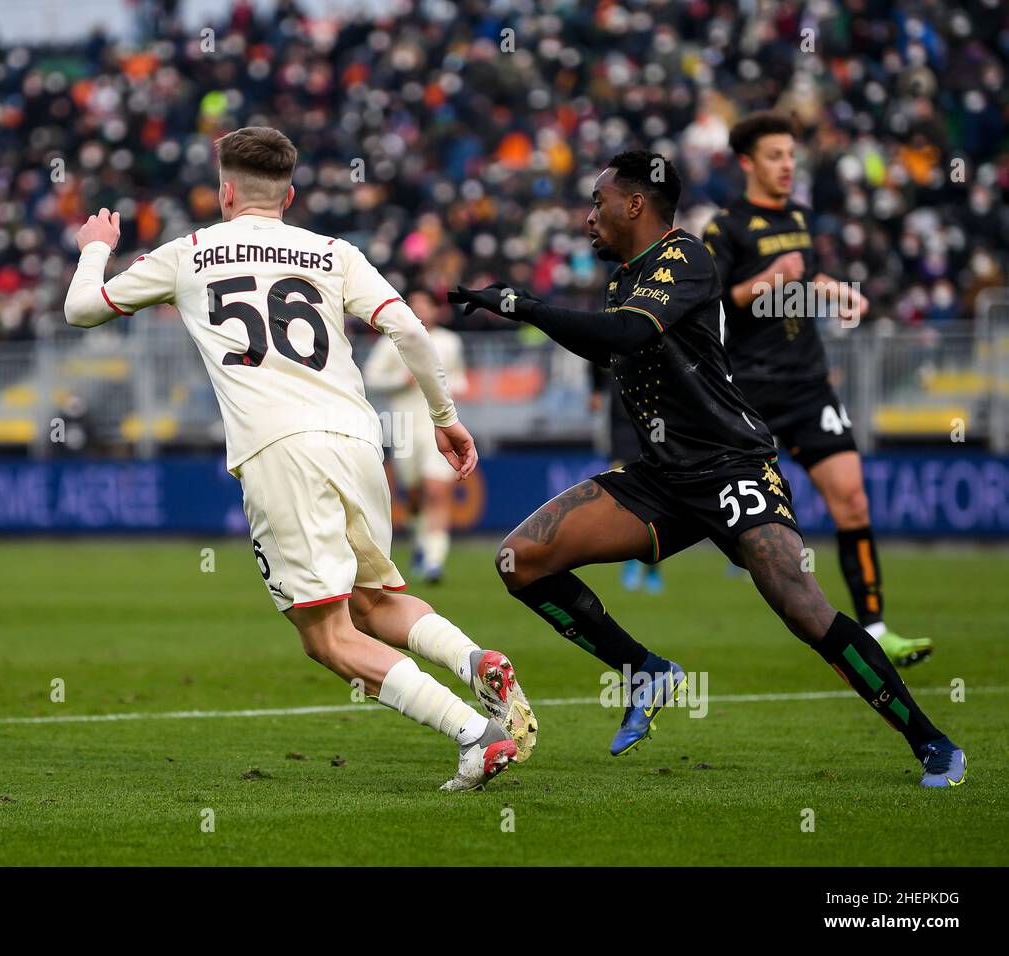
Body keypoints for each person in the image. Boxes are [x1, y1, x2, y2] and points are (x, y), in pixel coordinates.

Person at [449, 149, 965, 787]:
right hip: (661, 476)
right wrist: (516, 307)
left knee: (802, 607)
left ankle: (931, 741)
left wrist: (522, 306)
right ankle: (645, 671)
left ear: (634, 203)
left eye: (597, 202)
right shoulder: (624, 279)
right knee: (518, 560)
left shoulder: (685, 256)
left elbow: (628, 335)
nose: (588, 218)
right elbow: (603, 337)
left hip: (730, 464)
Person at [64, 127, 536, 790]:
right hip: (356, 439)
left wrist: (94, 250)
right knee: (374, 601)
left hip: (278, 447)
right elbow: (405, 327)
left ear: (226, 191)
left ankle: (474, 735)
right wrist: (444, 419)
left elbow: (82, 309)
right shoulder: (332, 253)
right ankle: (475, 659)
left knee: (327, 637)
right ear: (289, 194)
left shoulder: (190, 253)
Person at [705, 112, 932, 668]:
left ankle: (875, 629)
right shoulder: (725, 228)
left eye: (791, 155)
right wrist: (768, 279)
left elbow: (803, 279)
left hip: (809, 384)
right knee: (750, 524)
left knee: (852, 499)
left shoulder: (802, 217)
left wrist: (836, 292)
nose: (787, 165)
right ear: (747, 163)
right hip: (750, 389)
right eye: (776, 156)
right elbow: (713, 302)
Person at [363, 289, 468, 583]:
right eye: (415, 306)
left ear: (436, 310)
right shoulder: (391, 342)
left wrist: (454, 388)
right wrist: (400, 380)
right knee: (413, 494)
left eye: (425, 306)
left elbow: (459, 377)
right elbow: (370, 376)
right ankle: (422, 545)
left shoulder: (449, 342)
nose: (421, 312)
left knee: (437, 490)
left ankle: (434, 562)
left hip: (437, 426)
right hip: (404, 426)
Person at [589, 367, 663, 594]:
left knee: (657, 500)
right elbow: (593, 356)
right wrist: (596, 390)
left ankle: (653, 568)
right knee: (623, 503)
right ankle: (630, 561)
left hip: (652, 422)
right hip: (622, 424)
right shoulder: (616, 344)